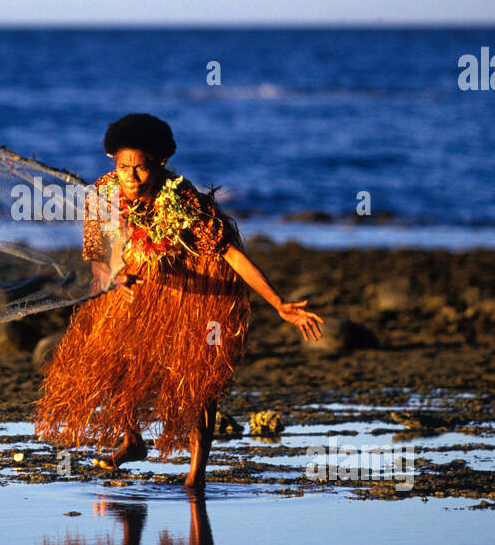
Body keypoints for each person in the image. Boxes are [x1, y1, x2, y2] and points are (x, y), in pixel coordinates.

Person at [33, 113, 323, 491]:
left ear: (160, 163)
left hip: (195, 281)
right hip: (134, 277)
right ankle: (131, 439)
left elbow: (231, 254)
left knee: (197, 379)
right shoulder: (101, 197)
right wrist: (111, 277)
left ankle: (195, 474)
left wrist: (278, 302)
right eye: (124, 167)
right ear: (112, 161)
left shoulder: (184, 199)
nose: (132, 177)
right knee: (114, 359)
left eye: (141, 168)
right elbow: (96, 256)